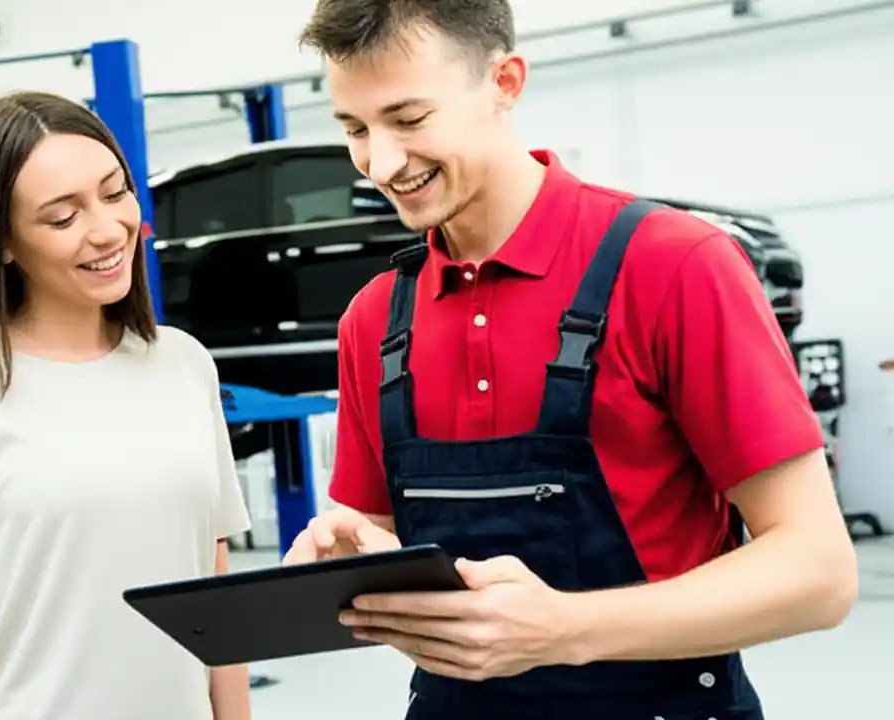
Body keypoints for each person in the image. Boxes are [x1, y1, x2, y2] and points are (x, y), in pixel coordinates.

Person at [283, 1, 859, 718]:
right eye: (354, 129)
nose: (382, 162)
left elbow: (818, 571)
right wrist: (356, 559)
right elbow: (386, 542)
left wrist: (562, 631)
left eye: (408, 119)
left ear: (505, 81)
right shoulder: (373, 319)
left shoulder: (673, 266)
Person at [0, 91, 253, 720]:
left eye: (115, 194)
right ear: (1, 241)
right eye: (62, 218)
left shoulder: (183, 363)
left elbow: (215, 601)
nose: (108, 230)